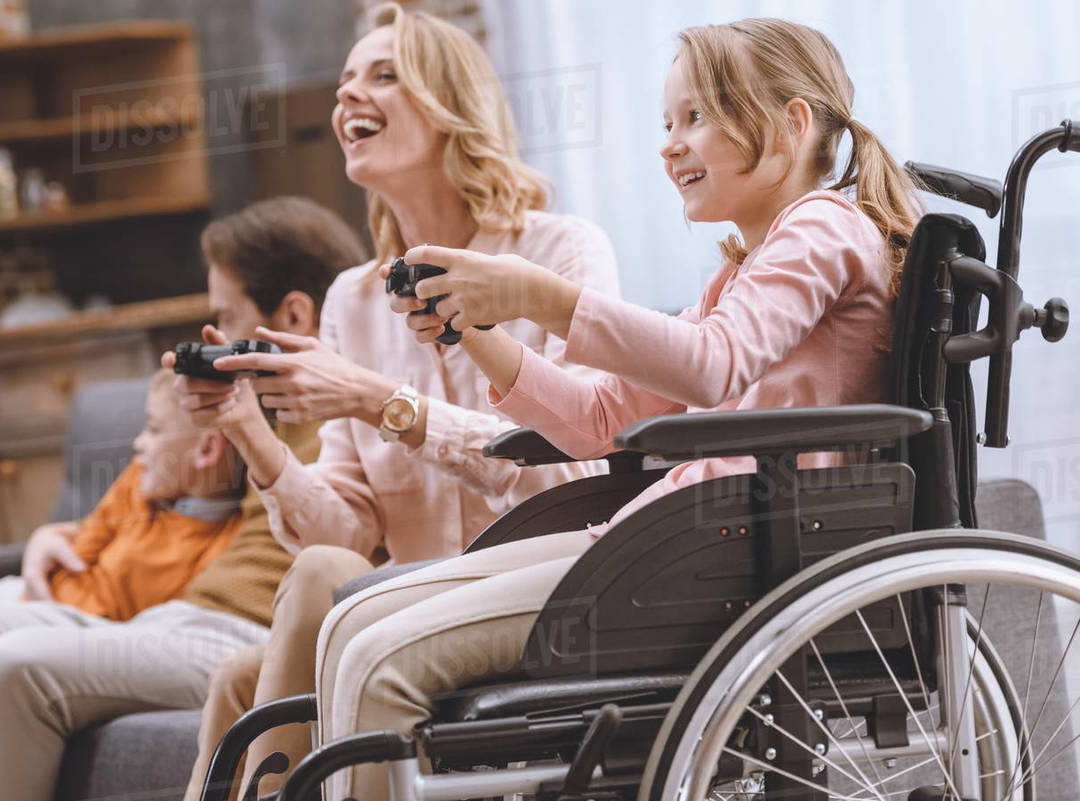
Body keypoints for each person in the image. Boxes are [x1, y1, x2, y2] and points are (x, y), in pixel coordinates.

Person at [312, 17, 924, 801]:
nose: (671, 144)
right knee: (349, 623)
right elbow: (598, 419)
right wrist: (479, 331)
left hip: (737, 549)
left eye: (696, 117)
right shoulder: (743, 269)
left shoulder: (824, 226)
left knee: (380, 658)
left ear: (792, 124)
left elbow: (712, 367)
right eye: (668, 123)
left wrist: (544, 296)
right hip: (688, 536)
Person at [177, 6, 622, 799]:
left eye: (383, 76)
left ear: (452, 108)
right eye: (345, 82)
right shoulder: (353, 298)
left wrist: (386, 402)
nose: (351, 96)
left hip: (540, 592)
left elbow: (578, 458)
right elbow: (348, 532)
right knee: (251, 658)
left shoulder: (557, 253)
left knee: (284, 643)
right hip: (402, 601)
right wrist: (251, 432)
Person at [0, 195, 367, 801]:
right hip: (176, 618)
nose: (215, 341)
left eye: (226, 315)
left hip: (242, 632)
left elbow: (346, 541)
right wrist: (55, 534)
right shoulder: (262, 408)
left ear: (294, 315)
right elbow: (157, 488)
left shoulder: (347, 412)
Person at [0, 369, 245, 801]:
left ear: (207, 449)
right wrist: (46, 550)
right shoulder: (140, 484)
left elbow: (135, 612)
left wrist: (48, 600)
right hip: (38, 591)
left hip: (69, 616)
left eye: (153, 429)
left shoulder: (221, 544)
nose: (138, 443)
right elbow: (85, 541)